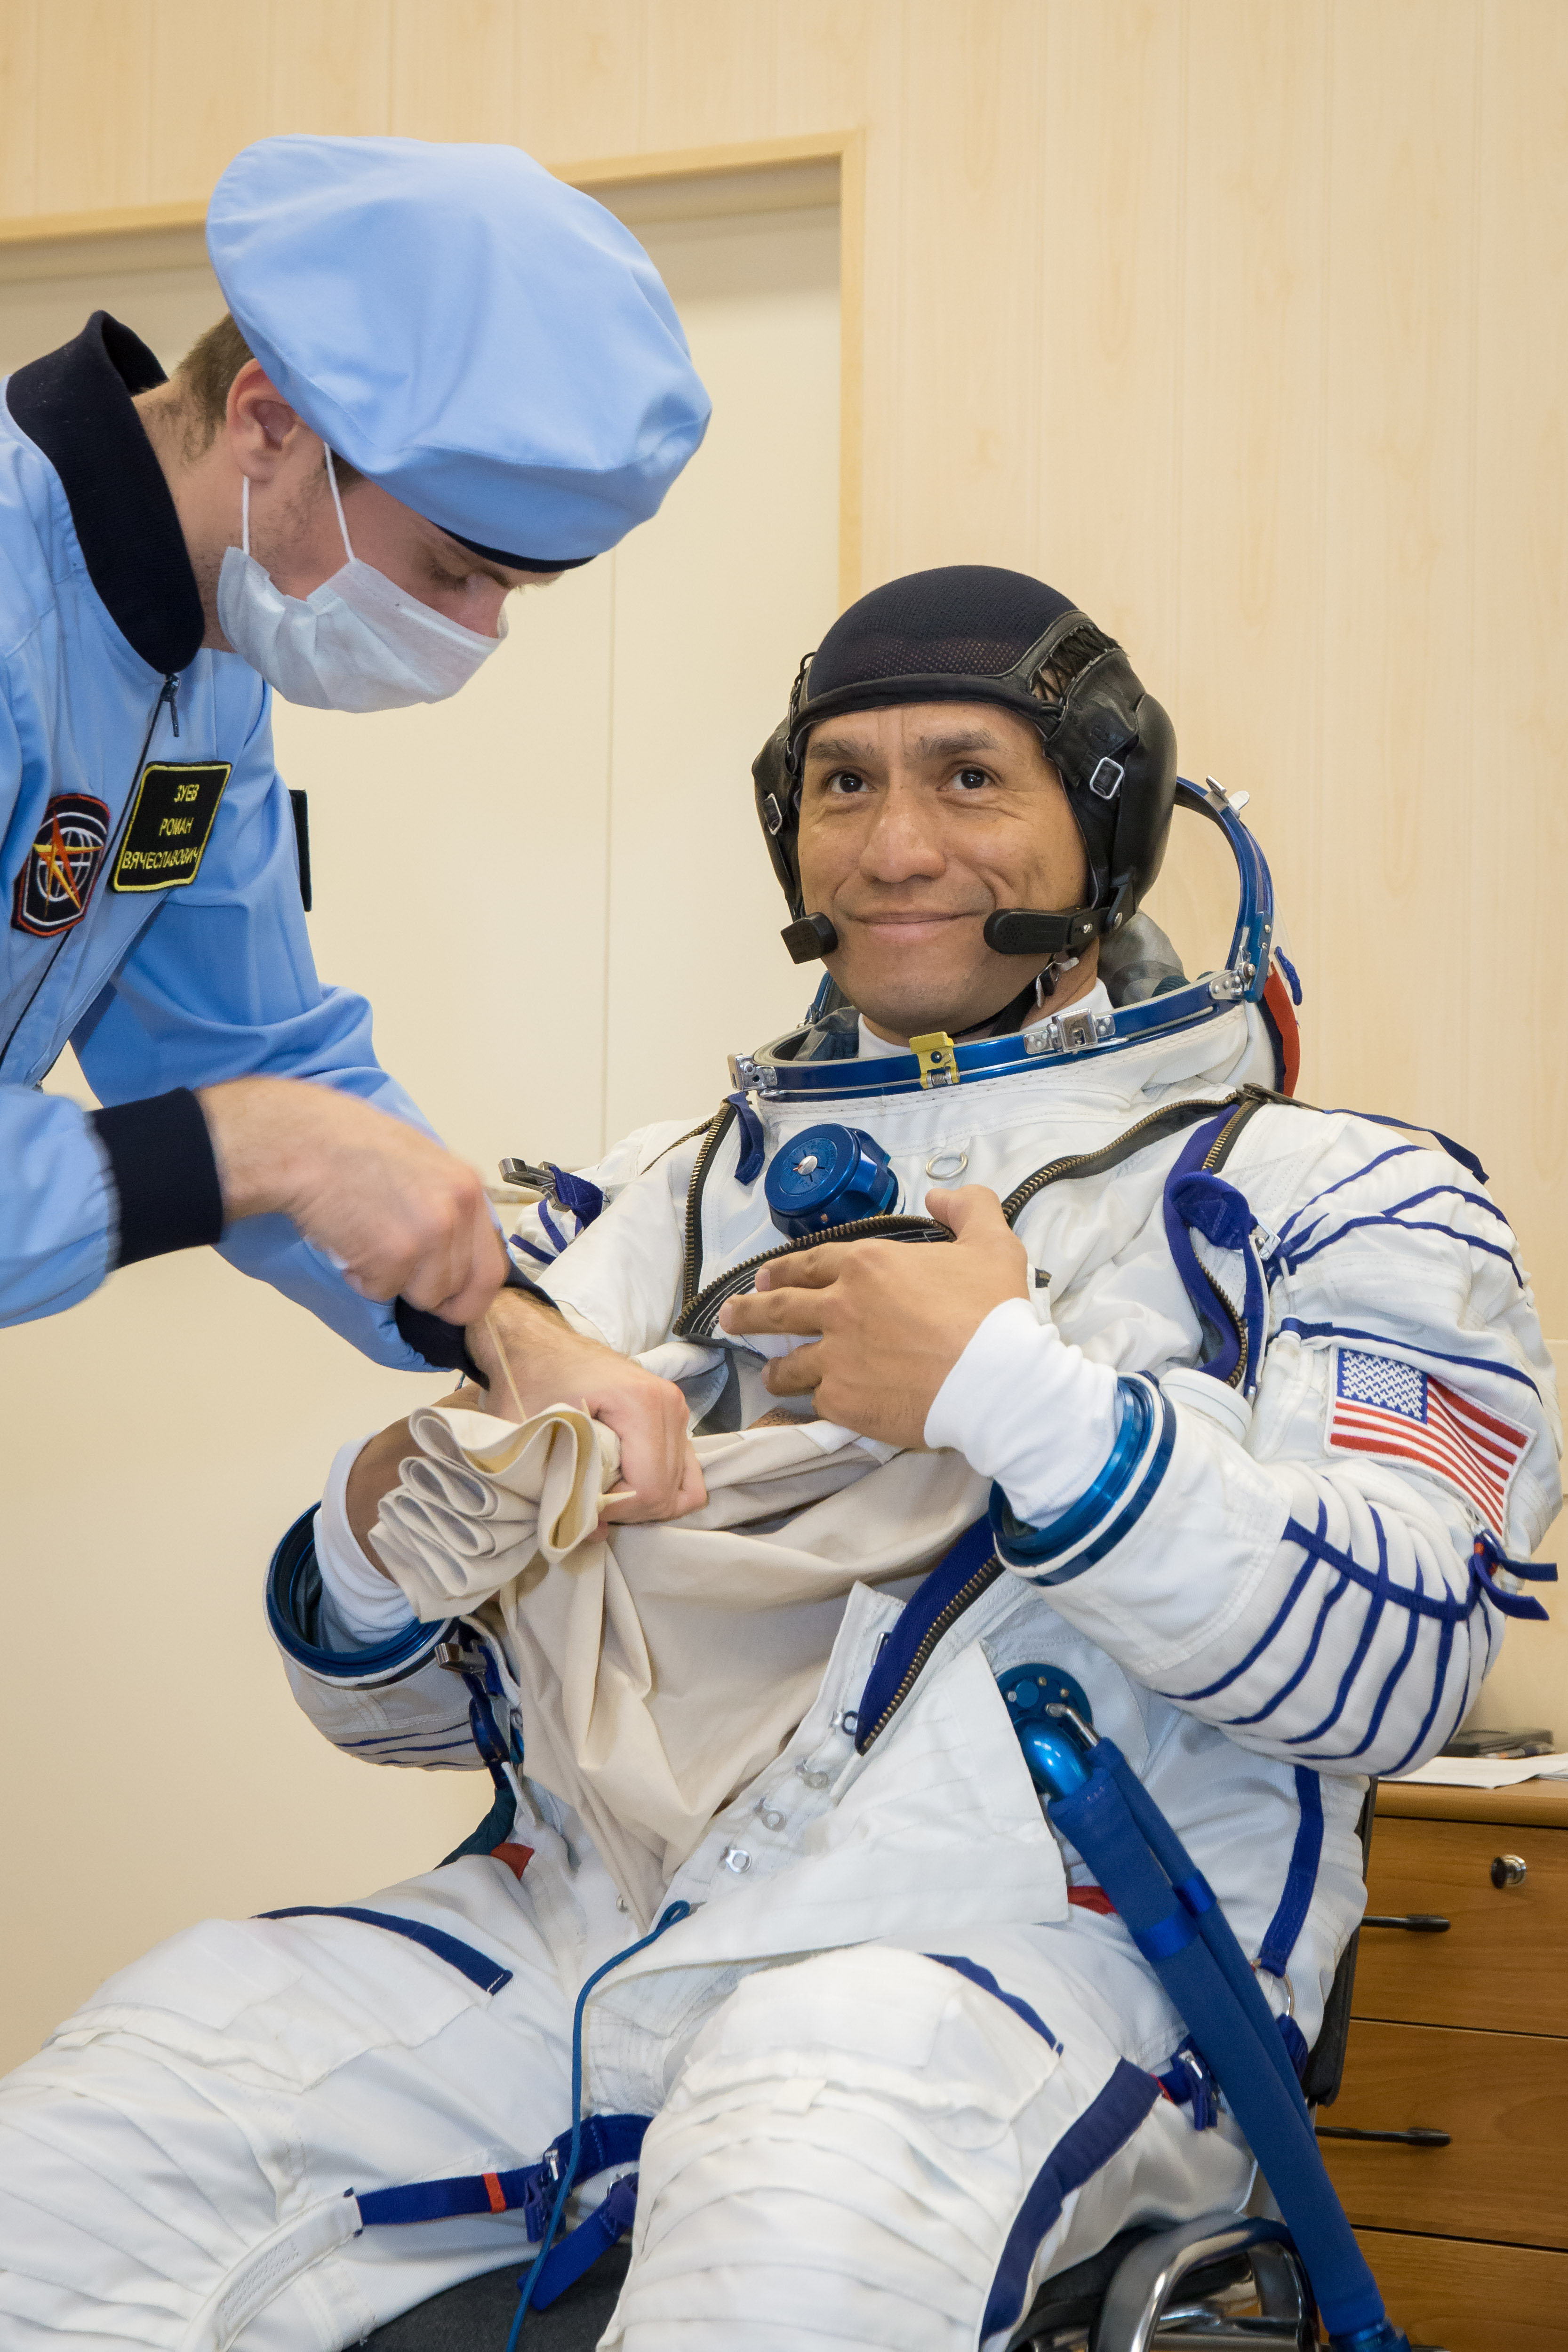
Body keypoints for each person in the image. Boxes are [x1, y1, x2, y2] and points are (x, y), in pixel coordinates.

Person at [0, 567, 1557, 2350]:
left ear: (1105, 818)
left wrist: (1007, 1395)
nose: (893, 845)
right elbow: (414, 1720)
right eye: (842, 784)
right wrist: (383, 1531)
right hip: (584, 1940)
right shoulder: (644, 1207)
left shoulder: (1321, 1201)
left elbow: (1399, 1664)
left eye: (968, 778)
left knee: (805, 2161)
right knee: (116, 2122)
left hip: (1018, 1966)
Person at [0, 133, 710, 1498]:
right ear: (271, 423)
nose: (476, 633)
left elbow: (245, 1040)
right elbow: (263, 1119)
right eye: (449, 571)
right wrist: (257, 1147)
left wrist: (509, 1331)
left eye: (509, 596)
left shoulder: (202, 666)